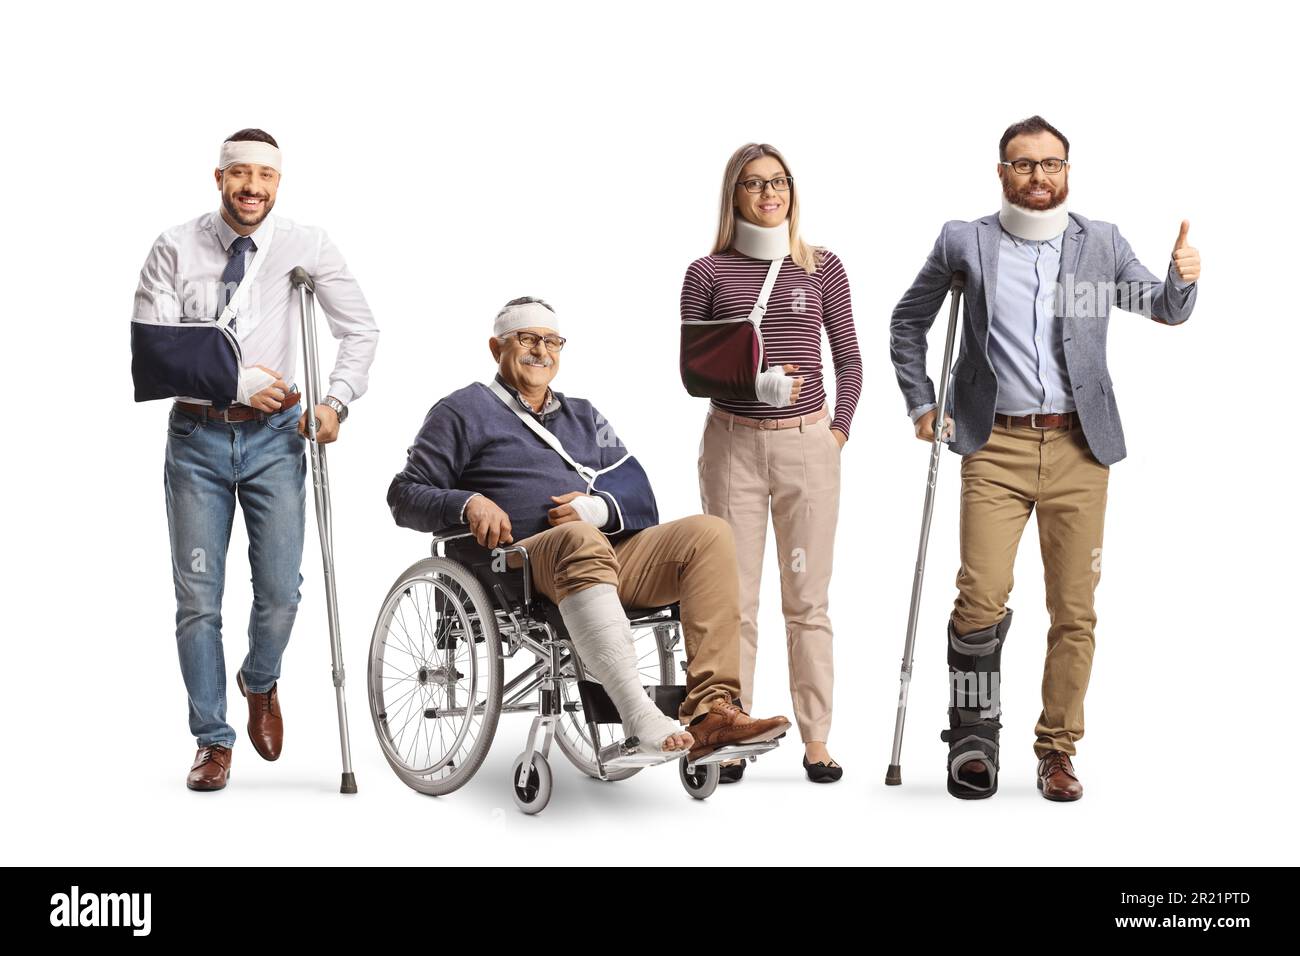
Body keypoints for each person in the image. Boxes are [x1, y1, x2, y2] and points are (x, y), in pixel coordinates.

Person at [889, 115, 1200, 800]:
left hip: (1079, 448)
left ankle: (1057, 750)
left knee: (1074, 609)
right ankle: (973, 736)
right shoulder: (964, 241)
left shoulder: (1101, 244)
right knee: (980, 599)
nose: (1038, 176)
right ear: (1001, 173)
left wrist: (1181, 281)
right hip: (991, 443)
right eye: (1024, 164)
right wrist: (921, 405)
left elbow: (1163, 309)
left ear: (1068, 170)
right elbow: (908, 320)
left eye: (1051, 163)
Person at [387, 296, 791, 758]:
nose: (541, 350)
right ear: (496, 347)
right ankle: (639, 713)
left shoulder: (584, 416)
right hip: (516, 565)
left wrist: (595, 509)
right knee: (576, 539)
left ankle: (713, 712)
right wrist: (467, 502)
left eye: (552, 341)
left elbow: (638, 489)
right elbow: (403, 495)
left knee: (710, 533)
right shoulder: (461, 411)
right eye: (527, 339)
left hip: (602, 552)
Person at [131, 129, 380, 791]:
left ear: (277, 183)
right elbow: (153, 353)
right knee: (198, 601)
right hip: (196, 441)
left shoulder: (307, 245)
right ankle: (212, 739)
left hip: (277, 440)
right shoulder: (174, 248)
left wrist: (337, 402)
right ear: (219, 179)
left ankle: (259, 679)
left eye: (263, 178)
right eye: (239, 175)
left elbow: (360, 328)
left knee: (279, 592)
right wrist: (232, 380)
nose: (251, 188)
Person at [680, 143, 862, 783]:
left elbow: (849, 359)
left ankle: (818, 741)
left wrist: (835, 434)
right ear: (735, 195)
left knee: (807, 600)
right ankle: (733, 729)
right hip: (733, 445)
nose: (768, 194)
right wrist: (752, 387)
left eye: (778, 182)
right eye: (754, 184)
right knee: (733, 601)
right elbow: (694, 373)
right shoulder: (708, 274)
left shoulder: (822, 268)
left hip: (807, 446)